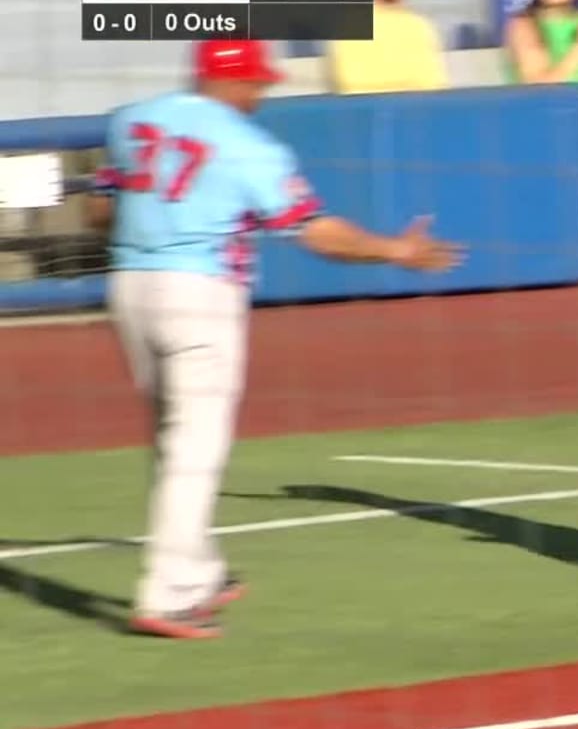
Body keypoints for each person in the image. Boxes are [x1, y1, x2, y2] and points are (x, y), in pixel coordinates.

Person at [86, 39, 463, 639]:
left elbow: (98, 215)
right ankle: (169, 594)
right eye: (256, 84)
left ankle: (201, 571)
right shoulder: (249, 147)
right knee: (195, 448)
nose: (260, 94)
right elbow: (314, 233)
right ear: (231, 82)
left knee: (171, 436)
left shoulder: (135, 119)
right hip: (199, 295)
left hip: (129, 290)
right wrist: (396, 250)